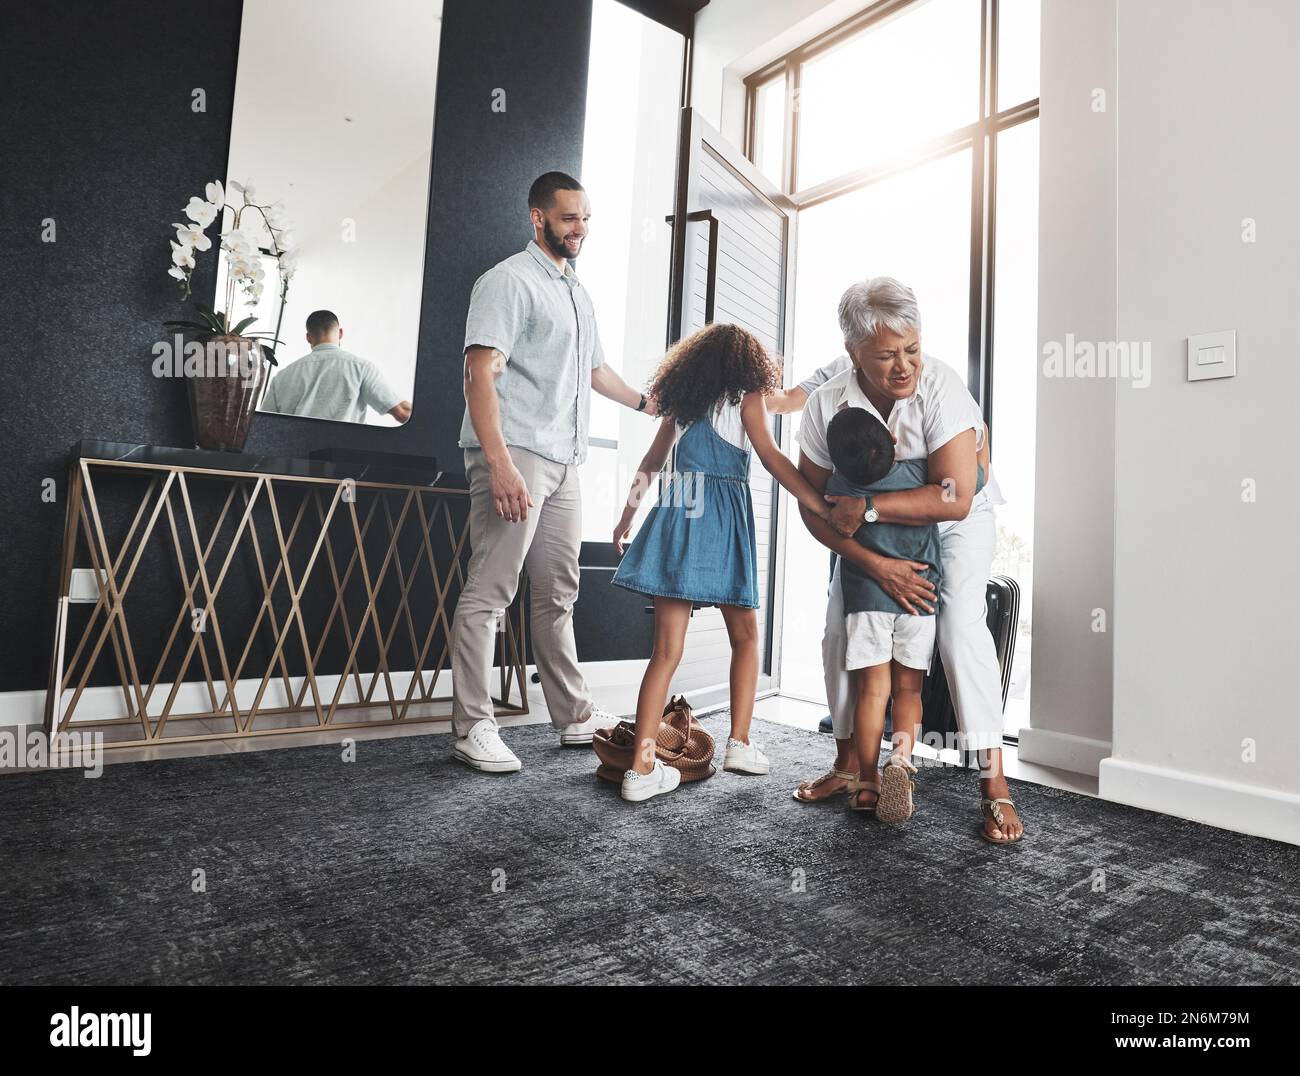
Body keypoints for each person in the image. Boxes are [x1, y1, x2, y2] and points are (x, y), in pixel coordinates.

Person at [790, 277, 1024, 844]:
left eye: (912, 349)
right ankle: (853, 767)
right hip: (875, 537)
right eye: (886, 355)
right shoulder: (827, 404)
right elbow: (814, 508)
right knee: (837, 628)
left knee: (957, 630)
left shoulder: (941, 385)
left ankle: (994, 786)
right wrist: (873, 566)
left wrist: (868, 506)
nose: (904, 366)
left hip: (954, 525)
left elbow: (954, 495)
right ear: (852, 354)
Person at [451, 171, 655, 773]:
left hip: (565, 462)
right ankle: (472, 726)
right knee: (491, 590)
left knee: (559, 592)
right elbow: (478, 374)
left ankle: (571, 716)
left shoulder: (576, 292)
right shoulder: (507, 282)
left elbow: (594, 372)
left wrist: (649, 401)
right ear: (538, 217)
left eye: (586, 218)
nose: (581, 229)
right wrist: (500, 463)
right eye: (569, 218)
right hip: (514, 454)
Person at [610, 323, 834, 802]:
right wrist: (818, 503)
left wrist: (626, 519)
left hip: (676, 511)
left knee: (665, 652)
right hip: (721, 516)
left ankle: (641, 768)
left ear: (691, 365)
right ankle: (739, 743)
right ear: (746, 364)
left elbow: (650, 464)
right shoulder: (747, 396)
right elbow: (771, 457)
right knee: (746, 636)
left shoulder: (681, 404)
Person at [260, 309, 412, 423]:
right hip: (344, 461)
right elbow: (403, 413)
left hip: (292, 461)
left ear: (308, 337)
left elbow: (264, 424)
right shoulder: (361, 368)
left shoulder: (282, 376)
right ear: (340, 333)